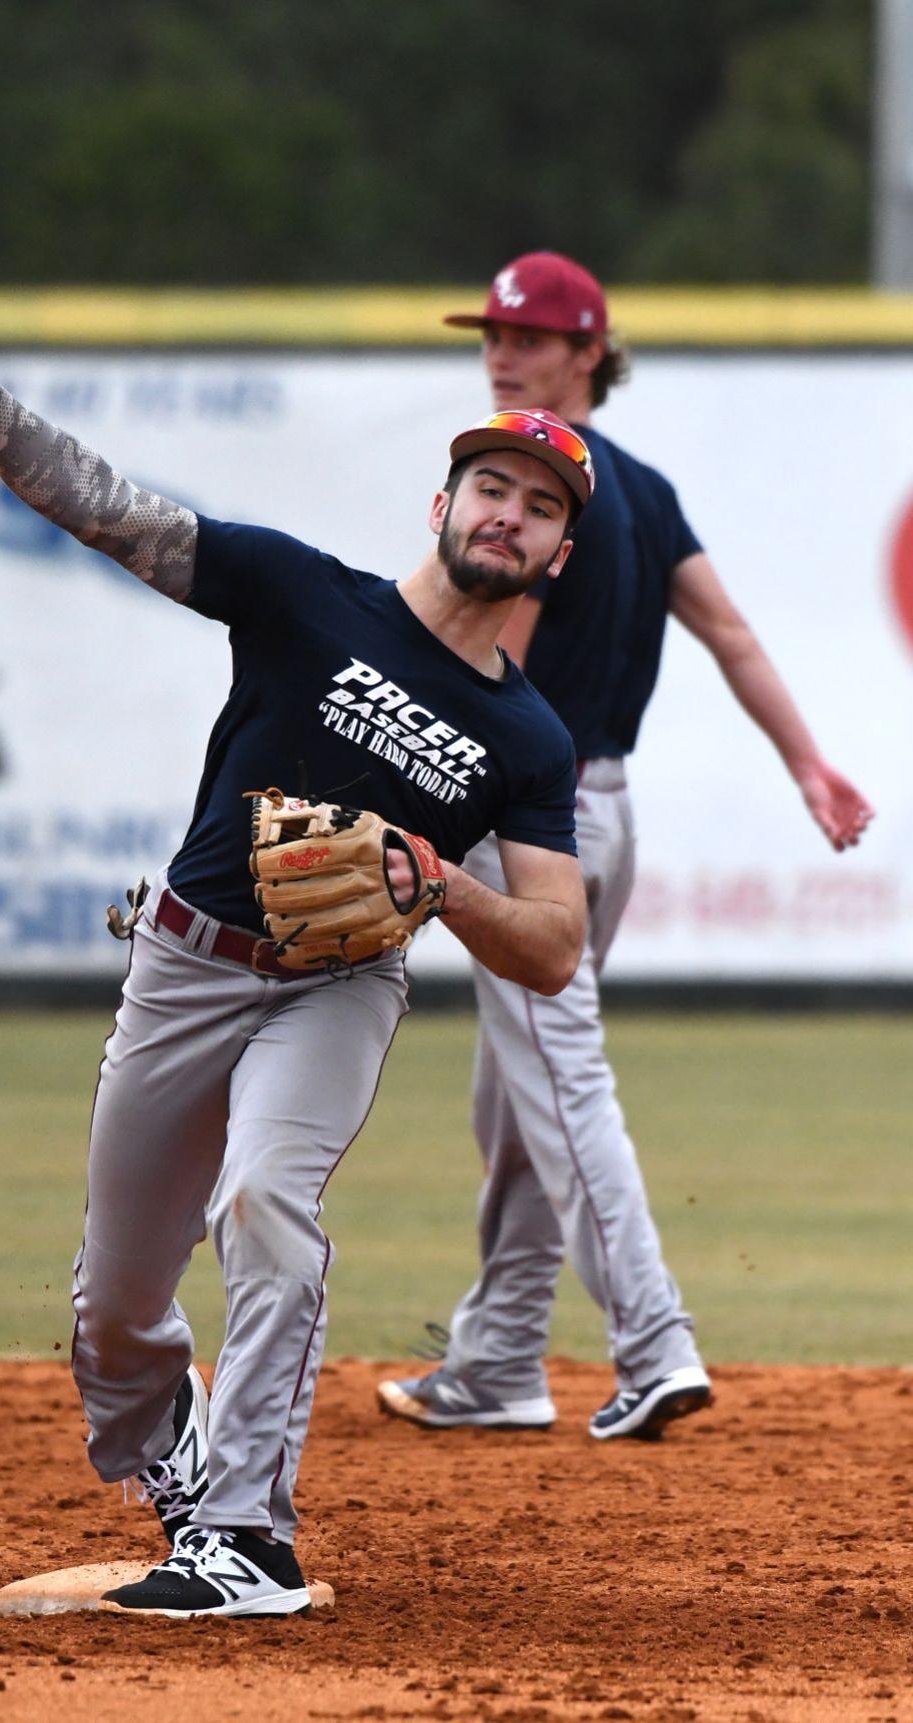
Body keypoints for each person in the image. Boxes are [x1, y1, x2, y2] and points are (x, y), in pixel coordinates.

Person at [0, 297, 595, 1617]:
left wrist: (441, 885)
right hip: (188, 961)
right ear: (444, 499)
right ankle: (182, 1469)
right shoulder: (304, 594)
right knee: (117, 1310)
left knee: (265, 1203)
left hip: (340, 983)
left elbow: (551, 943)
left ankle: (249, 1536)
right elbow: (104, 507)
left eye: (539, 506)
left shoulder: (528, 737)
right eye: (491, 484)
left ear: (557, 551)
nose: (509, 513)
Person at [378, 251, 874, 1443]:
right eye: (494, 337)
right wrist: (807, 763)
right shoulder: (641, 489)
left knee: (560, 1085)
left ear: (589, 351)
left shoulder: (549, 499)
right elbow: (729, 630)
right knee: (520, 1098)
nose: (504, 354)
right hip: (610, 816)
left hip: (531, 825)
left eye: (531, 339)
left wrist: (429, 794)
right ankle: (499, 1357)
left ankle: (654, 1342)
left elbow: (504, 659)